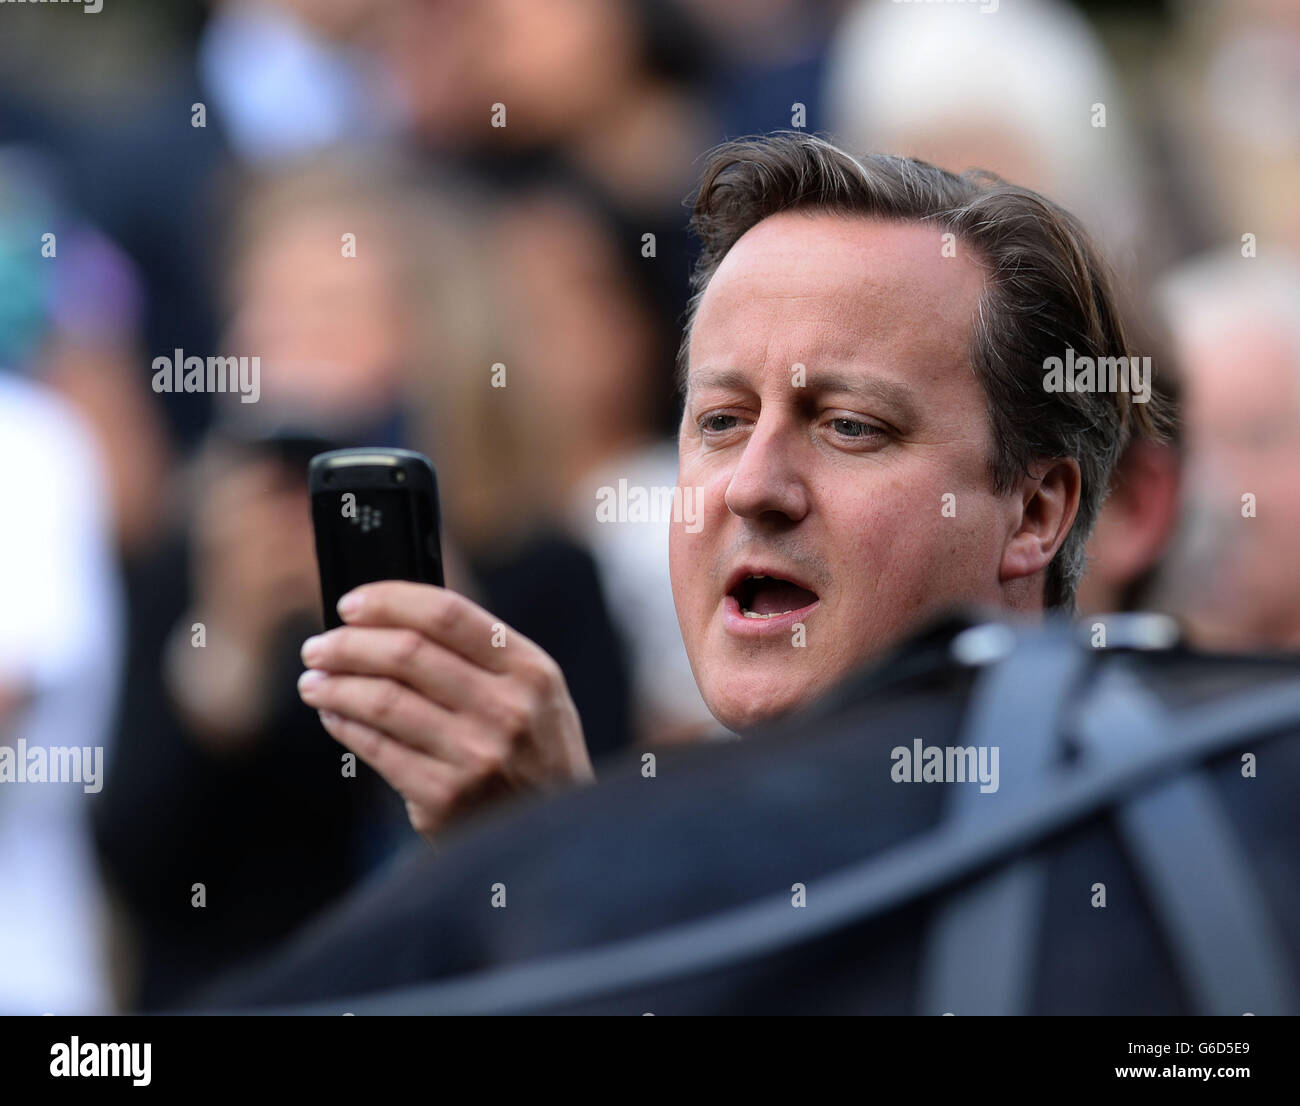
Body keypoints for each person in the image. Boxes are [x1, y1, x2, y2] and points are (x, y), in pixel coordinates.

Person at [291, 131, 1167, 841]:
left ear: (1036, 511)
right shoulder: (672, 841)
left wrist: (549, 851)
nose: (753, 487)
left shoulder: (1139, 838)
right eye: (721, 422)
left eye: (849, 425)